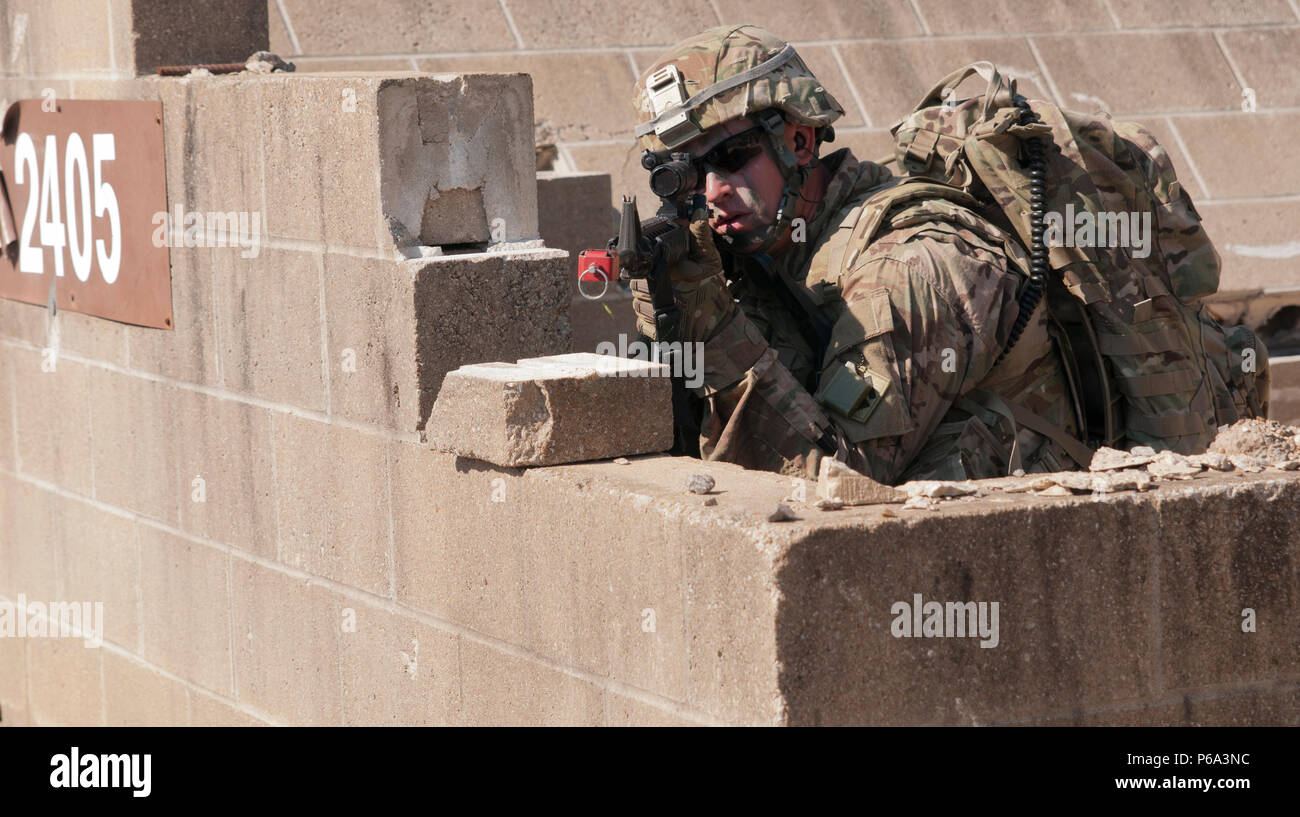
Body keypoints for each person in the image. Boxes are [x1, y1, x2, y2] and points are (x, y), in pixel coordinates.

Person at [628, 23, 1082, 484]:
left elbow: (843, 482)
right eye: (689, 171)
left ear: (799, 141)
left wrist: (717, 331)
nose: (713, 190)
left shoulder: (907, 269)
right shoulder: (768, 254)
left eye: (731, 156)